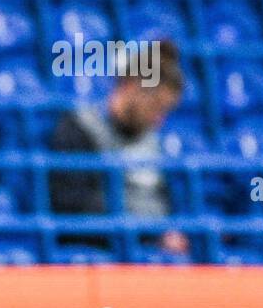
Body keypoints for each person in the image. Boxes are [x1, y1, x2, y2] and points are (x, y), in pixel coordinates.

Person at [48, 39, 189, 255]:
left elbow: (164, 204)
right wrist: (148, 231)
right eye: (156, 107)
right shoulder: (79, 129)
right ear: (131, 86)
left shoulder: (153, 142)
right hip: (100, 252)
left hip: (152, 254)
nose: (159, 121)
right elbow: (73, 206)